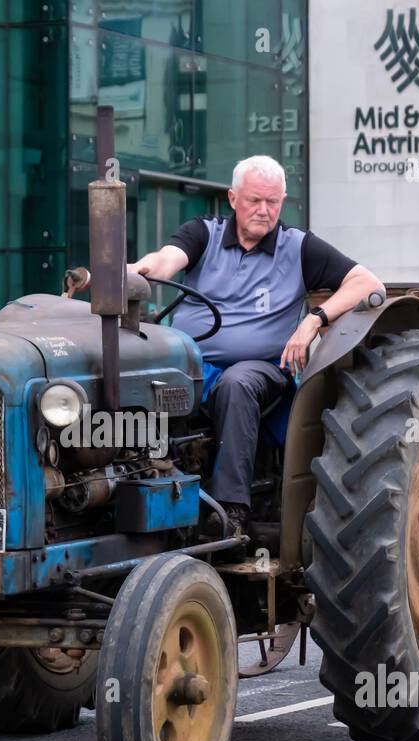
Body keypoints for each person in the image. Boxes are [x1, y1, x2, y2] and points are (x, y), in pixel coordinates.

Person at [129, 155, 383, 540]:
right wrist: (133, 272)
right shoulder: (203, 234)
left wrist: (315, 320)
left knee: (238, 383)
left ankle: (231, 512)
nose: (264, 211)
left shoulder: (299, 248)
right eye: (254, 201)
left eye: (273, 202)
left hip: (263, 371)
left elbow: (367, 283)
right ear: (233, 198)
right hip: (192, 366)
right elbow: (166, 260)